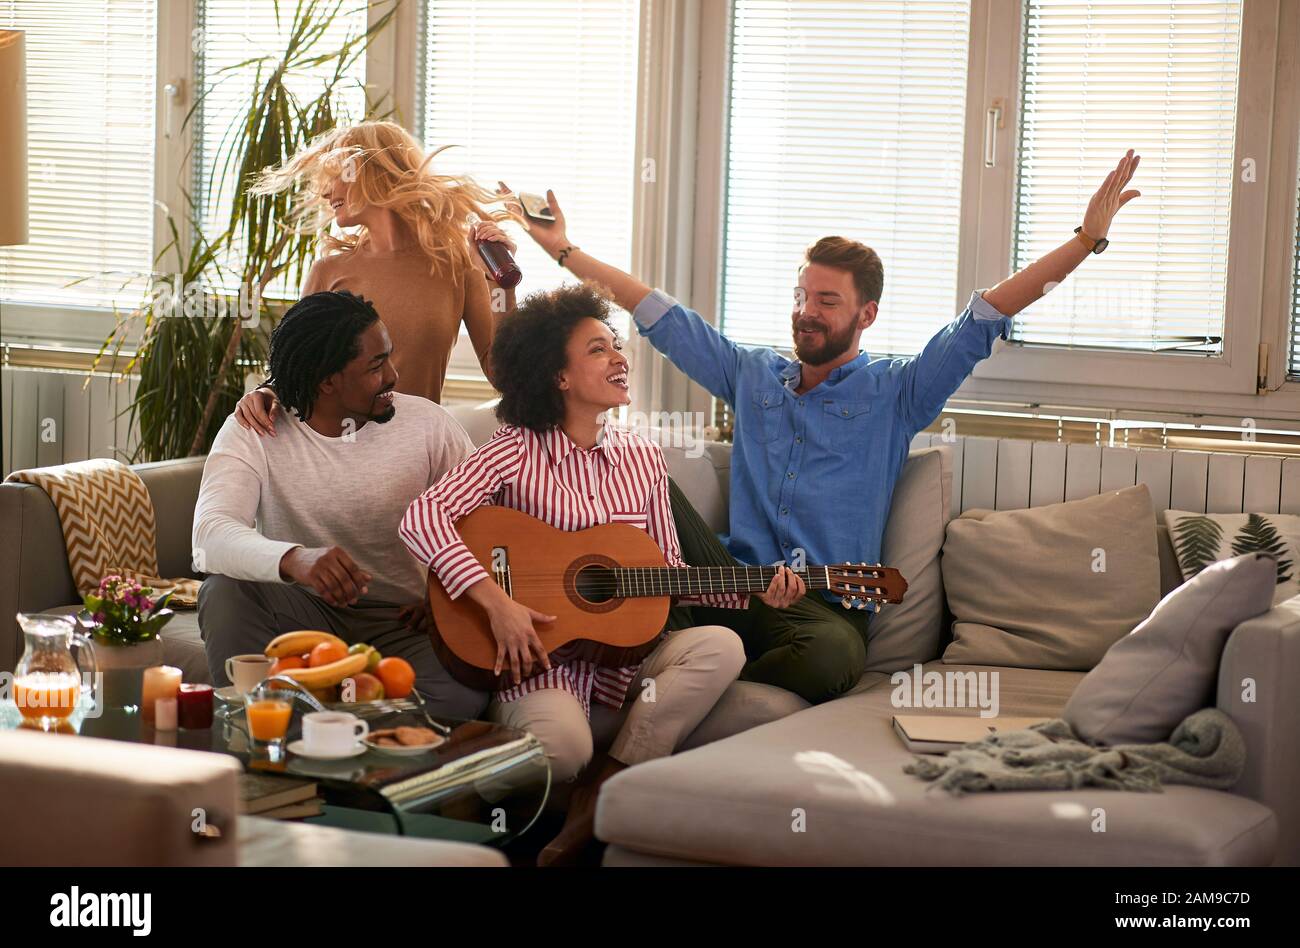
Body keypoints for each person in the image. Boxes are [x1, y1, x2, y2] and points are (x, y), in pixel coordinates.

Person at [505, 149, 1143, 704]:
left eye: (826, 302)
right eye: (801, 297)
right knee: (644, 470)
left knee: (835, 657)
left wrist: (1085, 240)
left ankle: (695, 665)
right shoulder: (752, 374)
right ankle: (652, 634)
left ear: (866, 314)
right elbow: (656, 313)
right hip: (728, 584)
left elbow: (984, 315)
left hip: (821, 605)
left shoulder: (898, 391)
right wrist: (562, 249)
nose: (805, 313)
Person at [399, 282, 805, 865]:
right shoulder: (512, 450)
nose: (620, 358)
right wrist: (495, 602)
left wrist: (760, 587)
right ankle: (472, 769)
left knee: (720, 645)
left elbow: (667, 570)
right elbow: (424, 515)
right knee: (563, 750)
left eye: (617, 345)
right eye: (598, 349)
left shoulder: (643, 458)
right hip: (538, 665)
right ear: (558, 376)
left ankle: (605, 786)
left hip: (622, 666)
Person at [194, 289, 485, 721]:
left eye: (388, 357)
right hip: (303, 612)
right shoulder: (255, 428)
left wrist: (447, 597)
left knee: (460, 695)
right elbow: (209, 536)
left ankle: (318, 727)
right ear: (327, 381)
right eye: (375, 366)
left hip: (406, 624)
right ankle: (262, 735)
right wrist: (296, 560)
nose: (393, 376)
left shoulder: (428, 426)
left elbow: (489, 522)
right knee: (224, 590)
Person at [234, 120, 519, 437]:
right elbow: (297, 367)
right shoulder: (328, 272)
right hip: (339, 452)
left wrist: (500, 286)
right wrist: (268, 392)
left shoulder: (458, 267)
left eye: (335, 176)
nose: (327, 191)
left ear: (370, 172)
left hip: (419, 455)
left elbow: (505, 376)